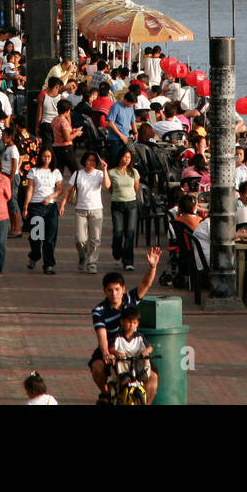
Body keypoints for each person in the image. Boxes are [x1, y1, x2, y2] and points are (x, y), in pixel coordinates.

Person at [89, 251, 162, 401]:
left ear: (123, 289)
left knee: (153, 378)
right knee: (97, 367)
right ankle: (106, 394)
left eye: (117, 289)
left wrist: (152, 266)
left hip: (134, 348)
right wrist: (106, 354)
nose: (114, 294)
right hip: (112, 348)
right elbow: (101, 335)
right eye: (110, 290)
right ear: (105, 291)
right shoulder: (99, 310)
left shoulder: (130, 299)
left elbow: (145, 284)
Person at [65, 151, 110, 275]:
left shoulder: (99, 173)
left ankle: (92, 262)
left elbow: (107, 185)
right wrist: (63, 203)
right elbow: (68, 190)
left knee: (95, 239)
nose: (91, 163)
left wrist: (105, 169)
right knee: (80, 239)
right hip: (80, 210)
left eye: (94, 161)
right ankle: (83, 256)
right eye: (89, 160)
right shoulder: (77, 174)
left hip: (96, 210)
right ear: (84, 161)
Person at [25, 147, 64, 274]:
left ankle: (48, 264)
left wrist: (50, 197)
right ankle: (35, 255)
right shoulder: (33, 171)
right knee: (36, 236)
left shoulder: (56, 172)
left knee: (50, 237)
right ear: (40, 157)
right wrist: (25, 207)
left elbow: (59, 190)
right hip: (35, 206)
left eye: (49, 156)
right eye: (44, 156)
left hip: (50, 207)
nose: (46, 159)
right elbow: (30, 189)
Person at [111, 305, 156, 403]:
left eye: (134, 323)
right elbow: (111, 348)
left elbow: (150, 347)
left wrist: (146, 351)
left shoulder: (140, 337)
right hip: (124, 364)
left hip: (137, 363)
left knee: (145, 375)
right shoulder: (118, 337)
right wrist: (116, 353)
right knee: (124, 380)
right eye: (129, 322)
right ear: (122, 322)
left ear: (137, 324)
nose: (131, 325)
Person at [107, 149, 141, 271]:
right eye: (125, 157)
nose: (126, 160)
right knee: (118, 232)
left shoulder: (134, 172)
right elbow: (110, 189)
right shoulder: (111, 172)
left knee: (130, 233)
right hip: (117, 204)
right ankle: (116, 250)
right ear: (120, 157)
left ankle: (128, 261)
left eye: (129, 158)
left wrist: (129, 196)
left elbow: (136, 187)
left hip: (131, 204)